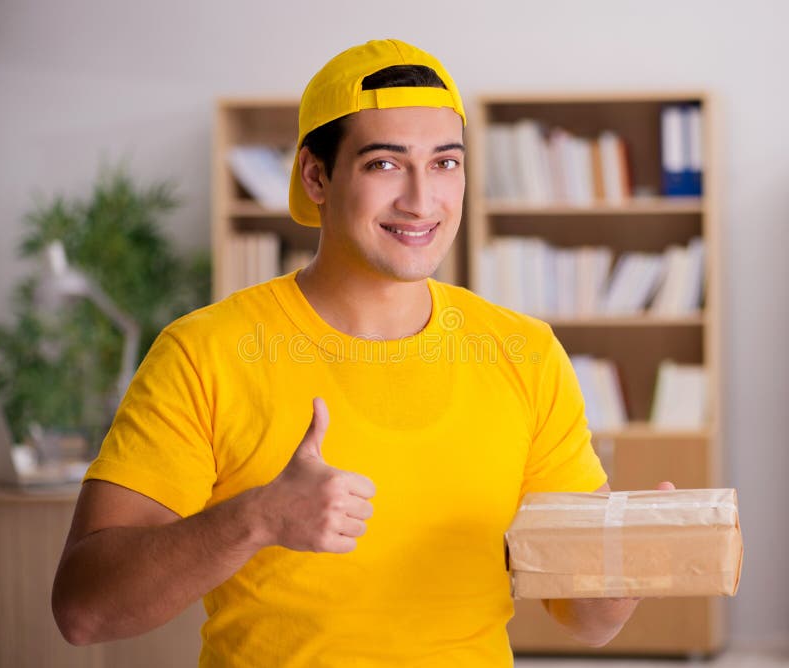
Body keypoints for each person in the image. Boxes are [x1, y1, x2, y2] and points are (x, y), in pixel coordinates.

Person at [52, 38, 667, 667]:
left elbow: (587, 621)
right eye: (384, 165)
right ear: (316, 175)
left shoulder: (525, 354)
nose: (422, 201)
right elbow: (83, 609)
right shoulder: (206, 351)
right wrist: (255, 519)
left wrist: (633, 559)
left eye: (445, 163)